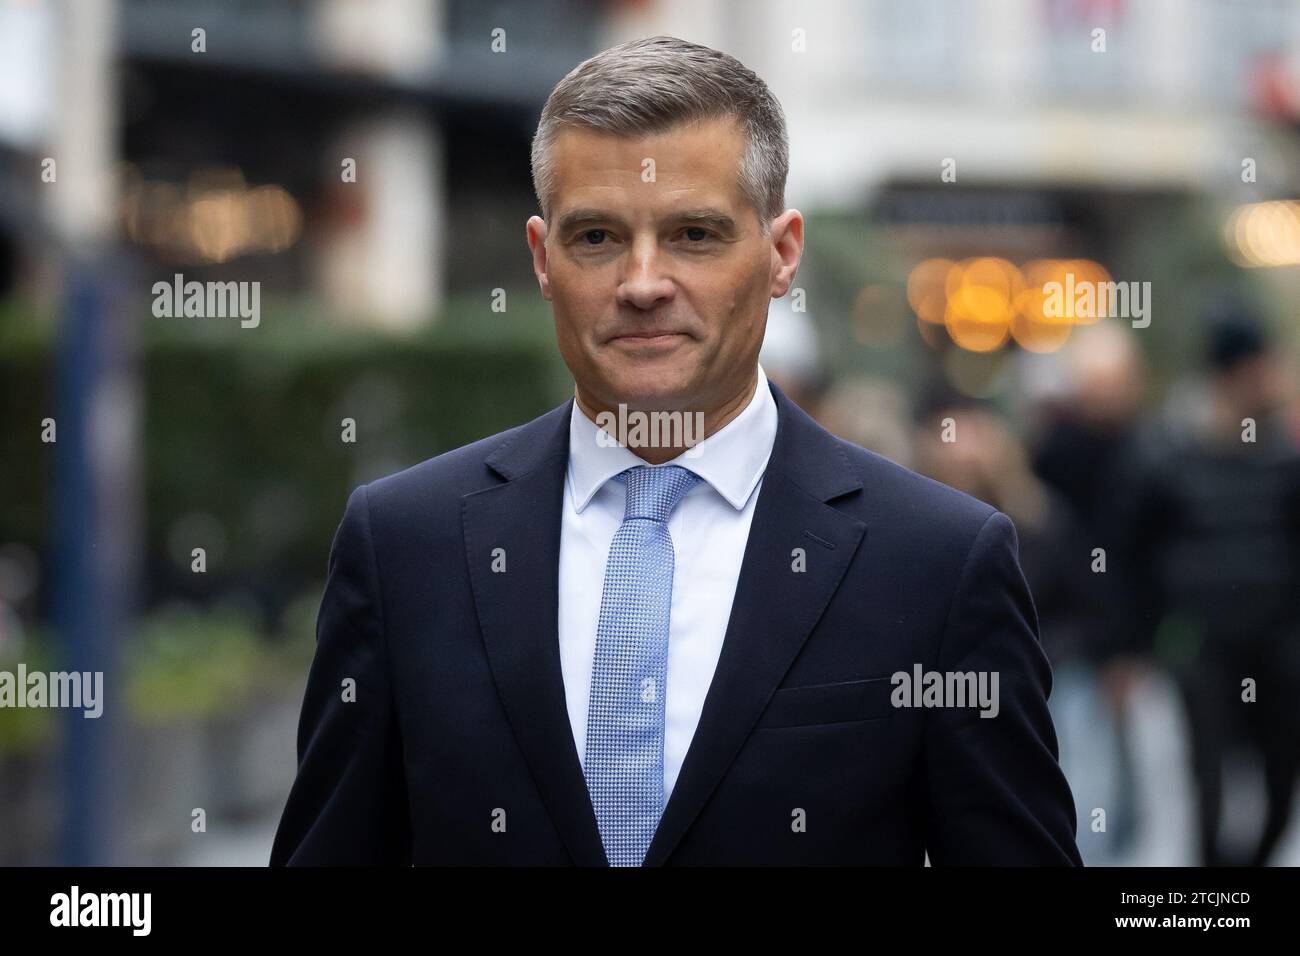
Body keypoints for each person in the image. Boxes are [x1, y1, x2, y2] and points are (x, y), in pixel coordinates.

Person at [270, 35, 1081, 866]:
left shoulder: (938, 561)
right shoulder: (406, 543)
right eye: (597, 238)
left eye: (694, 233)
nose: (644, 282)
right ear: (543, 260)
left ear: (781, 254)